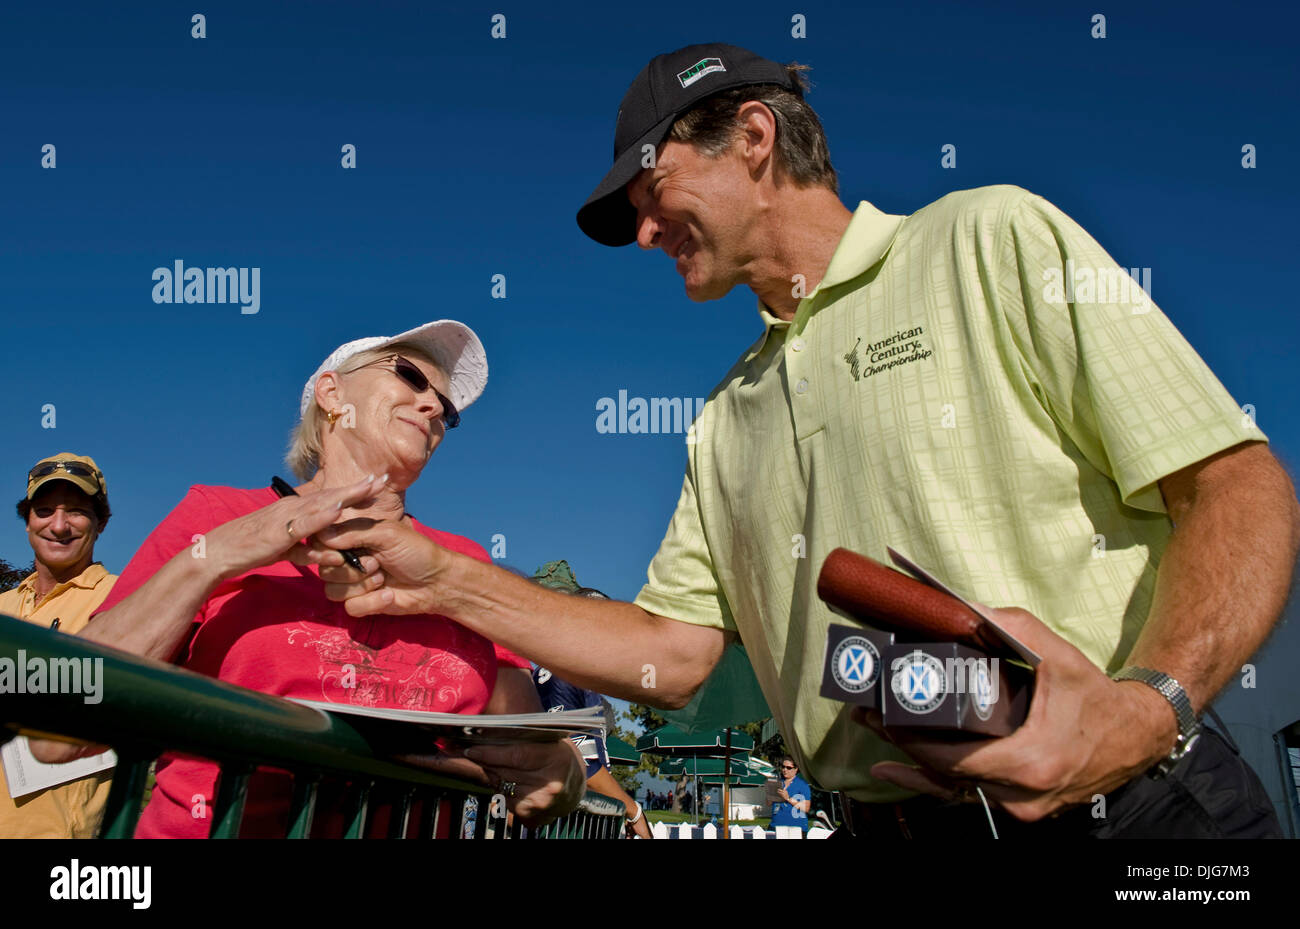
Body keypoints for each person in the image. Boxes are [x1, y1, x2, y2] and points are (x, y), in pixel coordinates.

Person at [296, 45, 1299, 838]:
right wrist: (441, 577)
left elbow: (1232, 485)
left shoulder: (985, 237)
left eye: (650, 190)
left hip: (1131, 809)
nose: (643, 232)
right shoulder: (727, 412)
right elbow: (674, 655)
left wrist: (1149, 705)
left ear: (753, 137)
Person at [28, 321, 585, 837]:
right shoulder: (215, 517)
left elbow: (522, 756)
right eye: (410, 376)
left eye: (447, 410)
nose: (432, 407)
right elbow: (55, 736)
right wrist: (215, 557)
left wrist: (564, 771)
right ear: (332, 393)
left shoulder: (464, 564)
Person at [0, 453, 118, 838]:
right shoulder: (2, 607)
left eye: (78, 512)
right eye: (45, 510)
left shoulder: (124, 600)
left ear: (101, 522)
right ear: (28, 521)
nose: (59, 525)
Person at [529, 560, 653, 838]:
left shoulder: (565, 673)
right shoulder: (562, 675)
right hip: (564, 825)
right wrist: (633, 812)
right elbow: (580, 765)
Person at [770, 757, 810, 833]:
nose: (784, 770)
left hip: (796, 828)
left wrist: (788, 798)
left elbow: (806, 808)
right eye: (783, 767)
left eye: (788, 768)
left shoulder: (802, 785)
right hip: (775, 826)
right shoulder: (778, 783)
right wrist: (769, 796)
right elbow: (769, 804)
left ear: (796, 769)